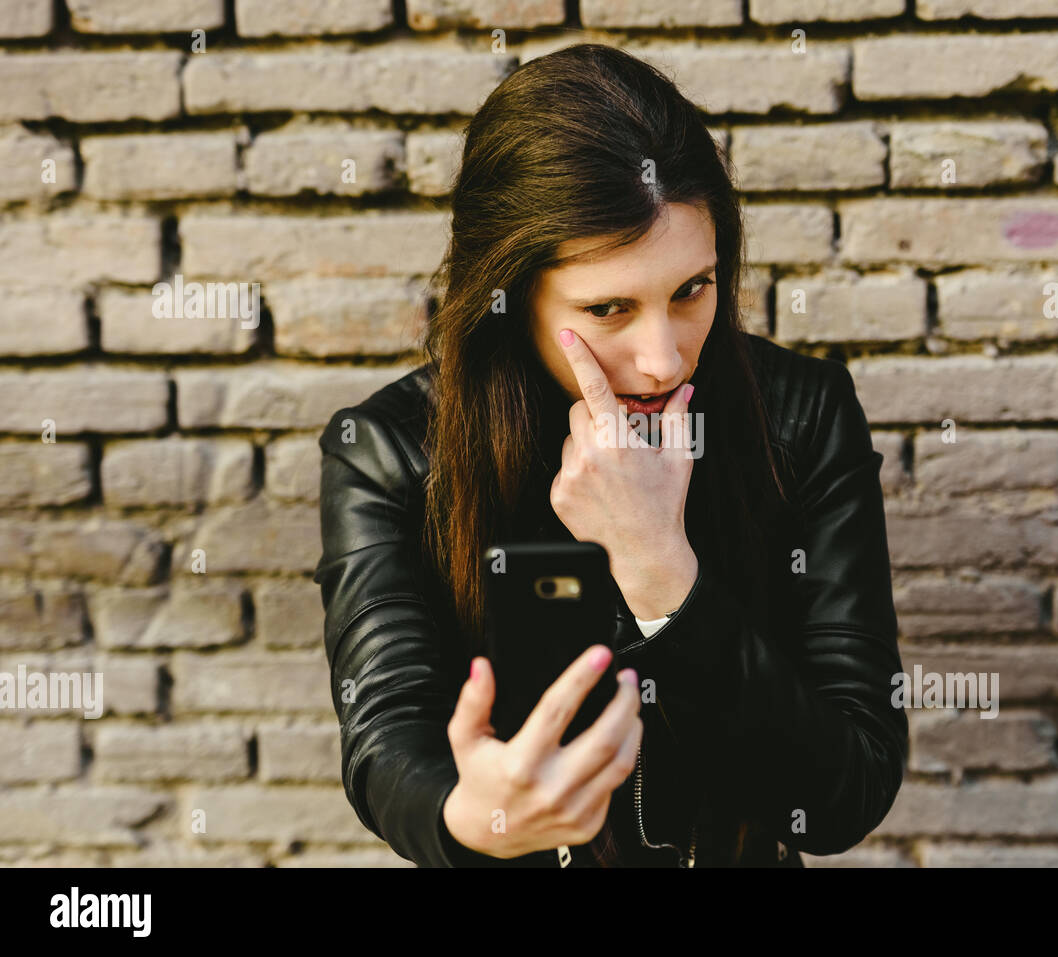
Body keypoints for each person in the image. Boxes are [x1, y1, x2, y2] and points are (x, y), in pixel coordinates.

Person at [313, 42, 908, 867]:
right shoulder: (389, 453)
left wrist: (660, 567)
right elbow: (385, 744)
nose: (664, 358)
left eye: (692, 289)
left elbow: (846, 789)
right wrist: (468, 811)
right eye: (608, 308)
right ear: (512, 294)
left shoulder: (800, 417)